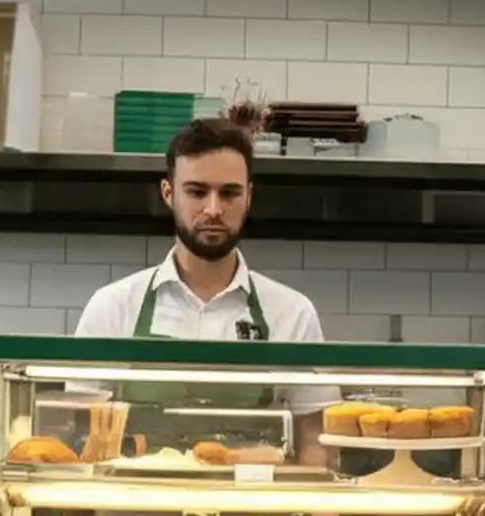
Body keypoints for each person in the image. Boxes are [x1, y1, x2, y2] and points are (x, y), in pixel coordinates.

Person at [74, 118, 337, 466]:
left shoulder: (292, 312)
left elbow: (316, 445)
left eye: (229, 193)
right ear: (168, 194)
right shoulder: (112, 306)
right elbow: (81, 438)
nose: (213, 209)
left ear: (249, 197)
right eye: (197, 191)